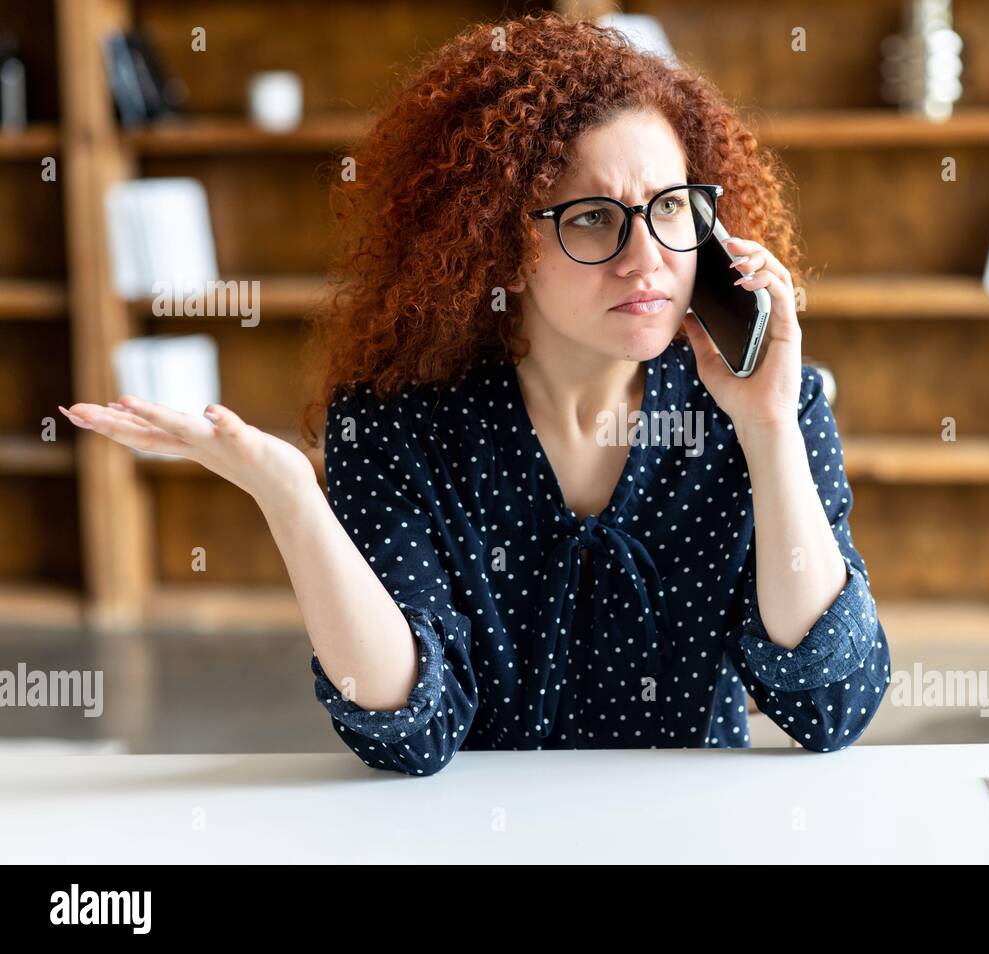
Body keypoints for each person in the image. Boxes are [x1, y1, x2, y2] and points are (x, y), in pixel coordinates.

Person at [60, 12, 890, 776]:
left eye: (672, 207)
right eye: (595, 218)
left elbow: (830, 706)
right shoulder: (395, 427)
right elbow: (409, 731)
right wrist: (289, 495)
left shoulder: (770, 405)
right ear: (498, 242)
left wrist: (769, 425)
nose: (648, 260)